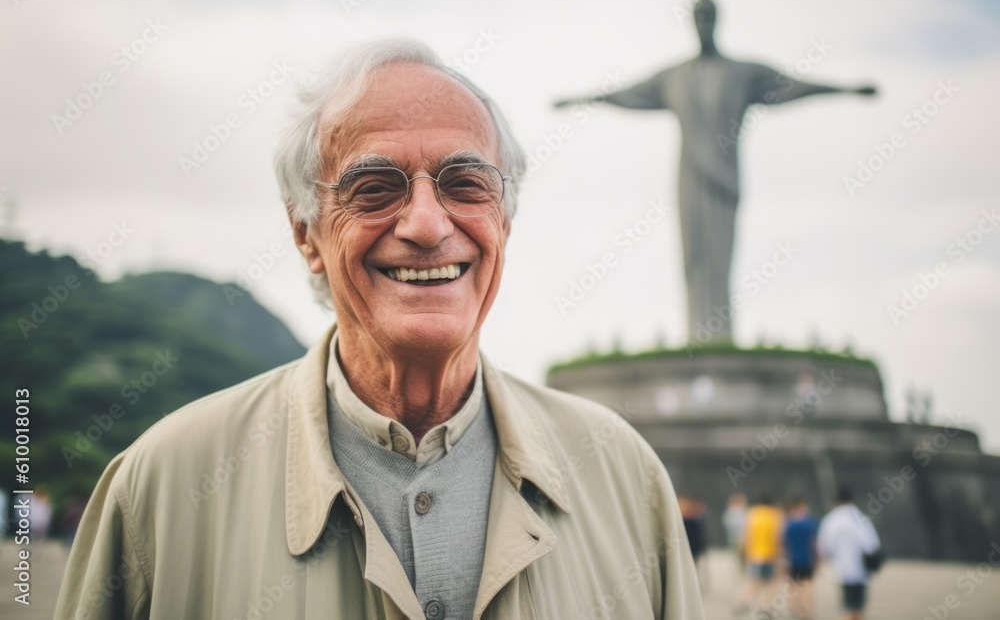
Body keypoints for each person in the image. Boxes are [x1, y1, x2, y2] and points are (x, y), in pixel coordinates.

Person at [54, 38, 705, 620]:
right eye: (374, 187)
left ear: (503, 222)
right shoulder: (159, 493)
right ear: (306, 233)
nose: (426, 223)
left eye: (465, 182)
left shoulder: (624, 478)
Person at [554, 0, 876, 343]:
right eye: (698, 17)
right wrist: (581, 100)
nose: (703, 23)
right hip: (690, 179)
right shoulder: (674, 77)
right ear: (692, 23)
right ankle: (697, 335)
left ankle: (719, 335)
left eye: (708, 16)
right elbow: (626, 94)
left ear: (716, 20)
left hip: (725, 181)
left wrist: (845, 89)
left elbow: (791, 86)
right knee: (693, 258)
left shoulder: (741, 73)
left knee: (721, 259)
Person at [818, 487, 881, 620]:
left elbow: (824, 547)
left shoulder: (831, 519)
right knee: (857, 608)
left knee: (847, 607)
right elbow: (872, 545)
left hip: (841, 570)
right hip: (861, 570)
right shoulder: (860, 517)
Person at [735, 493, 783, 616]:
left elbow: (745, 535)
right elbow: (779, 536)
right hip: (771, 555)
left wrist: (744, 553)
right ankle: (766, 607)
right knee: (770, 582)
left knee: (754, 580)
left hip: (754, 555)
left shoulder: (752, 513)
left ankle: (743, 602)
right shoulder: (776, 514)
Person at [783, 495, 819, 620]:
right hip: (807, 559)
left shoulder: (789, 523)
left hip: (792, 559)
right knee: (807, 585)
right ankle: (808, 610)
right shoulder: (809, 523)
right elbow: (813, 543)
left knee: (793, 586)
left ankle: (795, 610)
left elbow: (784, 544)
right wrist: (817, 559)